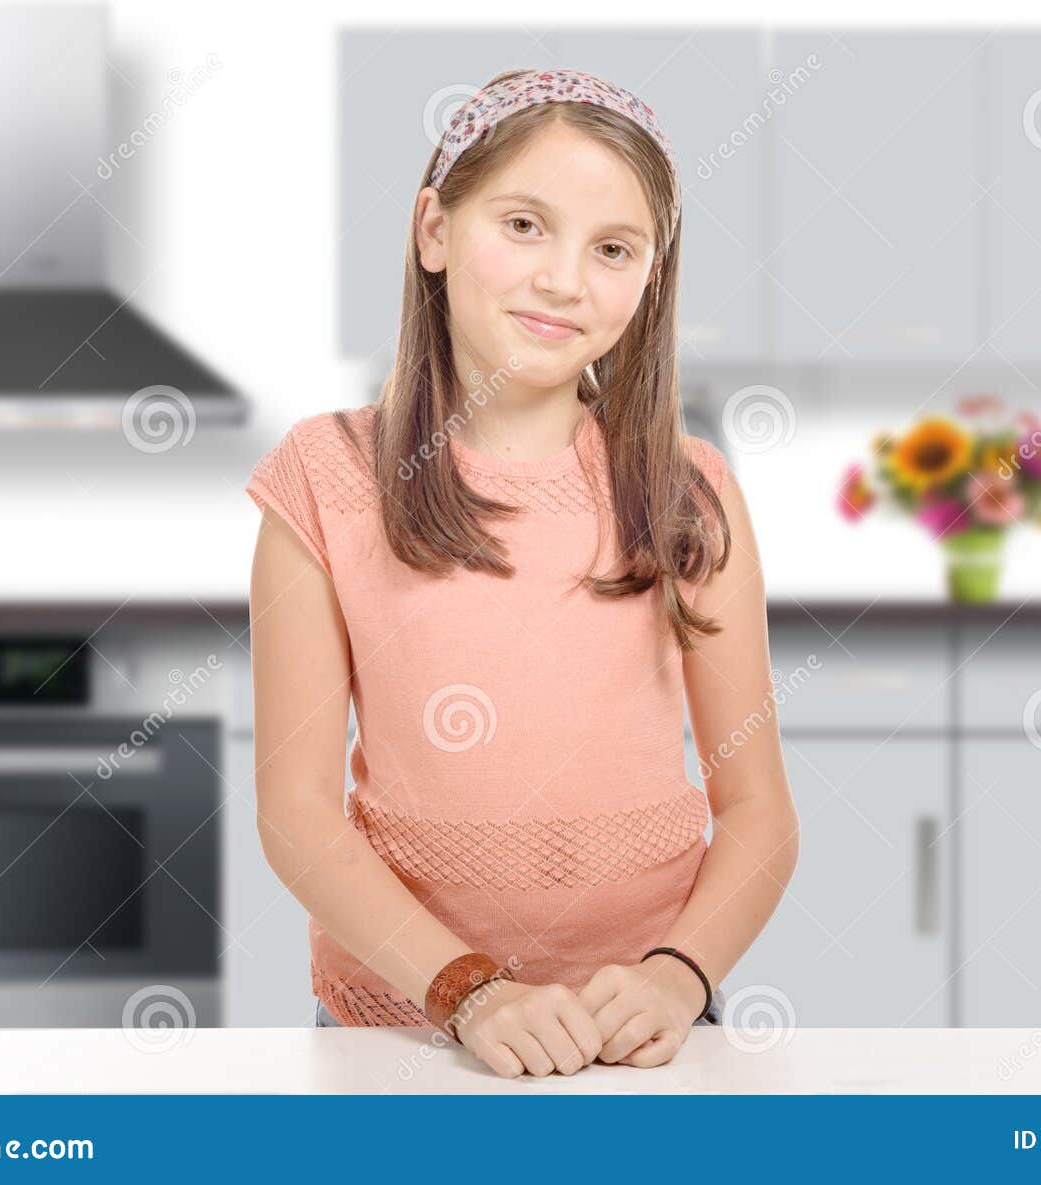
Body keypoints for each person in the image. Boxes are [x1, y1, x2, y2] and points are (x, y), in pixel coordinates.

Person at [245, 67, 798, 1078]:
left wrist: (678, 977)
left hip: (647, 1034)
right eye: (524, 226)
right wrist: (468, 994)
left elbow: (759, 813)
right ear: (433, 232)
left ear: (649, 282)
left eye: (613, 250)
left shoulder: (691, 493)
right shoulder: (323, 480)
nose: (563, 280)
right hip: (403, 1031)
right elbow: (296, 816)